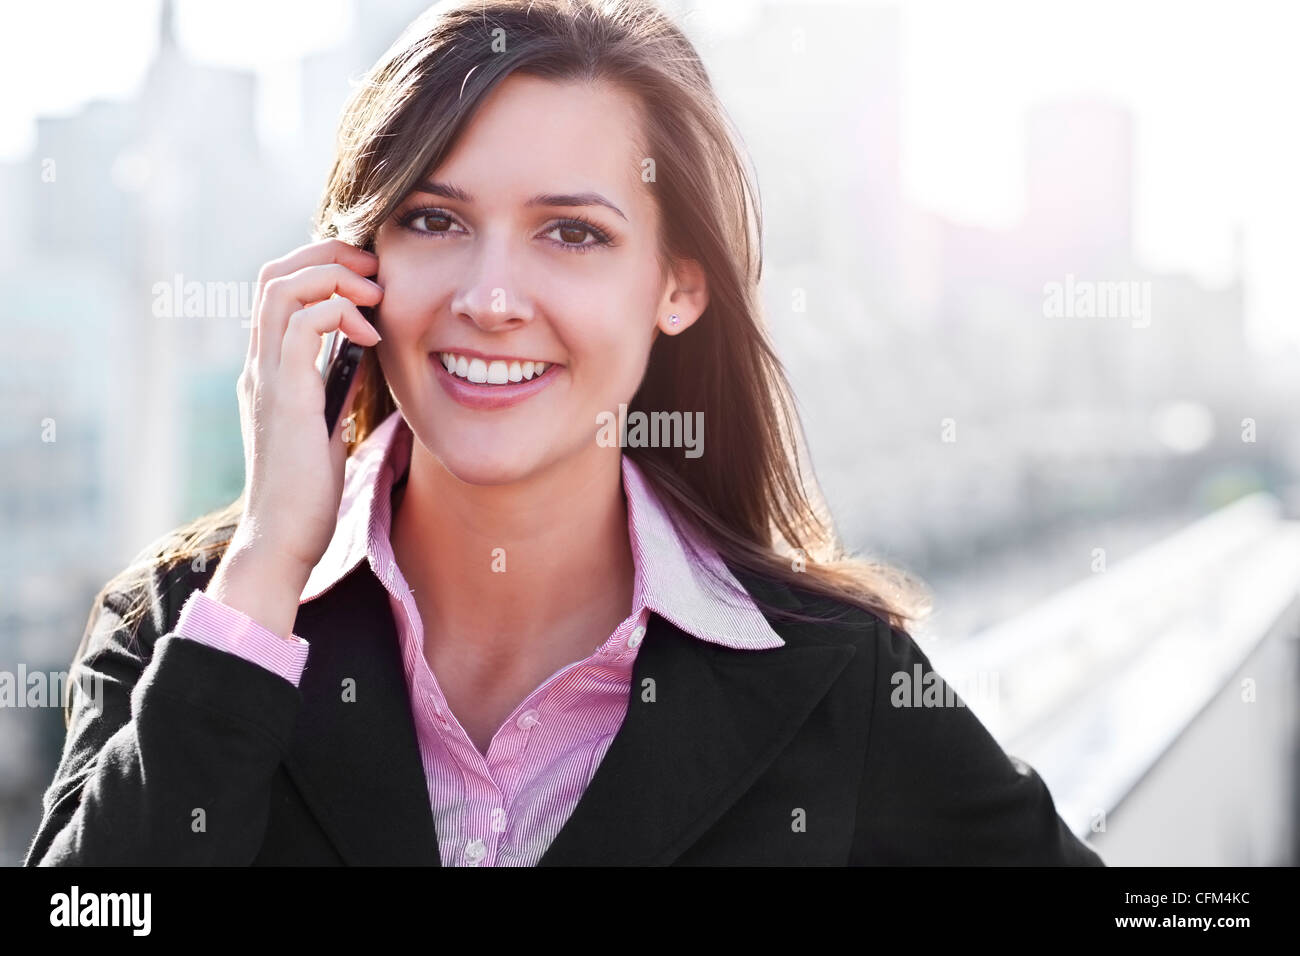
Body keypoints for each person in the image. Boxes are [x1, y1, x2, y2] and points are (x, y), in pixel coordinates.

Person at [25, 0, 1103, 866]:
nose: (492, 296)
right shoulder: (189, 629)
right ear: (355, 270)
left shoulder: (833, 679)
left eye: (572, 233)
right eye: (434, 220)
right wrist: (266, 566)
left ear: (678, 285)